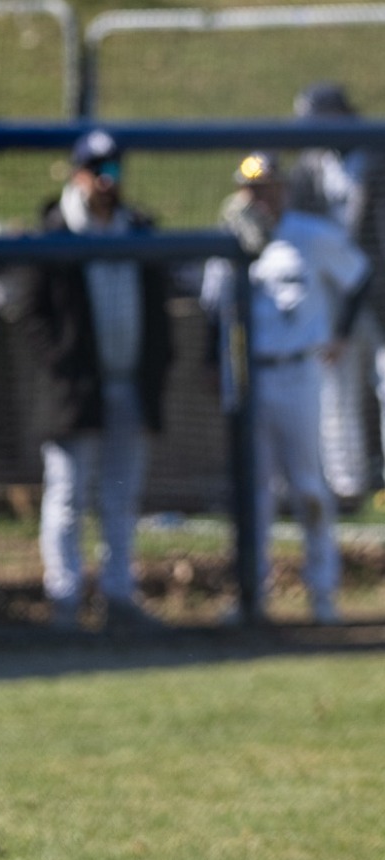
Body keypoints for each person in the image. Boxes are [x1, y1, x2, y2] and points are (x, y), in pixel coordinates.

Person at [204, 152, 371, 625]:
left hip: (299, 372)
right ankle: (250, 598)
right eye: (250, 189)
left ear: (283, 190)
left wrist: (340, 333)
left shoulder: (310, 236)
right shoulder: (230, 236)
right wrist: (209, 364)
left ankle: (323, 595)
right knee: (254, 492)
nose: (258, 198)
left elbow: (358, 276)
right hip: (248, 375)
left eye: (267, 188)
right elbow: (212, 307)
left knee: (307, 486)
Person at [26, 130, 174, 631]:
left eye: (114, 170)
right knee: (67, 494)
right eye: (97, 171)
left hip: (128, 384)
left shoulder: (137, 229)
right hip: (74, 392)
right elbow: (31, 313)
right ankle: (64, 598)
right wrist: (62, 364)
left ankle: (118, 596)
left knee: (120, 495)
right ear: (77, 173)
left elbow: (160, 309)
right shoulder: (54, 232)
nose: (108, 181)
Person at [289, 81, 385, 504]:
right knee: (336, 386)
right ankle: (349, 486)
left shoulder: (377, 155)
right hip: (333, 294)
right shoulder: (310, 167)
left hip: (379, 289)